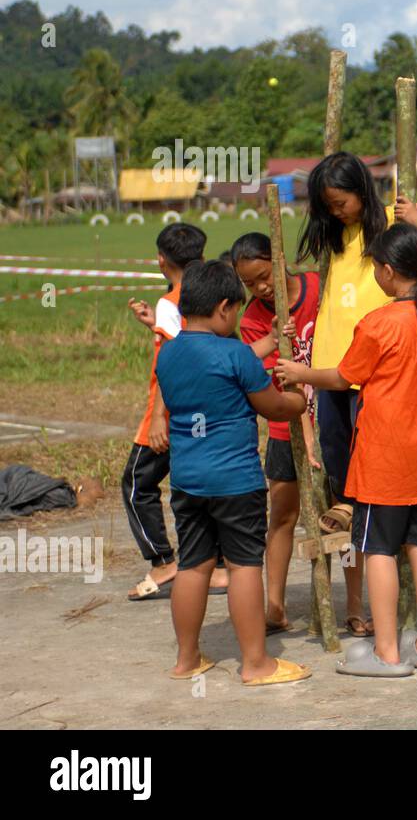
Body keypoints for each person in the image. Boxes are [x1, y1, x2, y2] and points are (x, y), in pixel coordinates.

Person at [277, 223, 417, 677]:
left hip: (384, 456)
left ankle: (387, 652)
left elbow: (344, 377)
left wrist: (300, 373)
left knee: (378, 547)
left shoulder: (379, 323)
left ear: (386, 271)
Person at [155, 260, 311, 684]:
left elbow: (225, 362)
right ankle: (256, 664)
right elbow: (273, 405)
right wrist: (298, 403)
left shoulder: (168, 353)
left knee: (194, 565)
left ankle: (187, 660)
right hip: (236, 482)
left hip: (187, 481)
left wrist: (267, 343)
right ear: (225, 308)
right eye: (237, 311)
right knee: (244, 566)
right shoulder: (235, 355)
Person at [296, 152, 417, 637]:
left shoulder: (385, 232)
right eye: (327, 205)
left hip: (373, 367)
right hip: (331, 366)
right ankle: (348, 512)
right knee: (337, 458)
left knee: (368, 462)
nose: (337, 211)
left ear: (363, 191)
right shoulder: (331, 238)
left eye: (342, 201)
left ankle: (359, 510)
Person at [121, 222, 231, 601]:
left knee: (136, 485)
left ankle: (162, 560)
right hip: (208, 408)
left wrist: (156, 419)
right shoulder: (209, 294)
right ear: (201, 256)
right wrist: (156, 324)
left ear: (161, 260)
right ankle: (217, 566)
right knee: (201, 486)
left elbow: (175, 356)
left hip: (169, 413)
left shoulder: (173, 302)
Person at [231, 231, 321, 633]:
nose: (262, 288)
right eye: (250, 284)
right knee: (283, 515)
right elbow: (270, 386)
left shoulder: (319, 287)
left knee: (341, 514)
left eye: (265, 276)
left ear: (279, 259)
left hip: (333, 423)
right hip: (287, 431)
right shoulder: (253, 320)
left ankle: (353, 603)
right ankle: (274, 606)